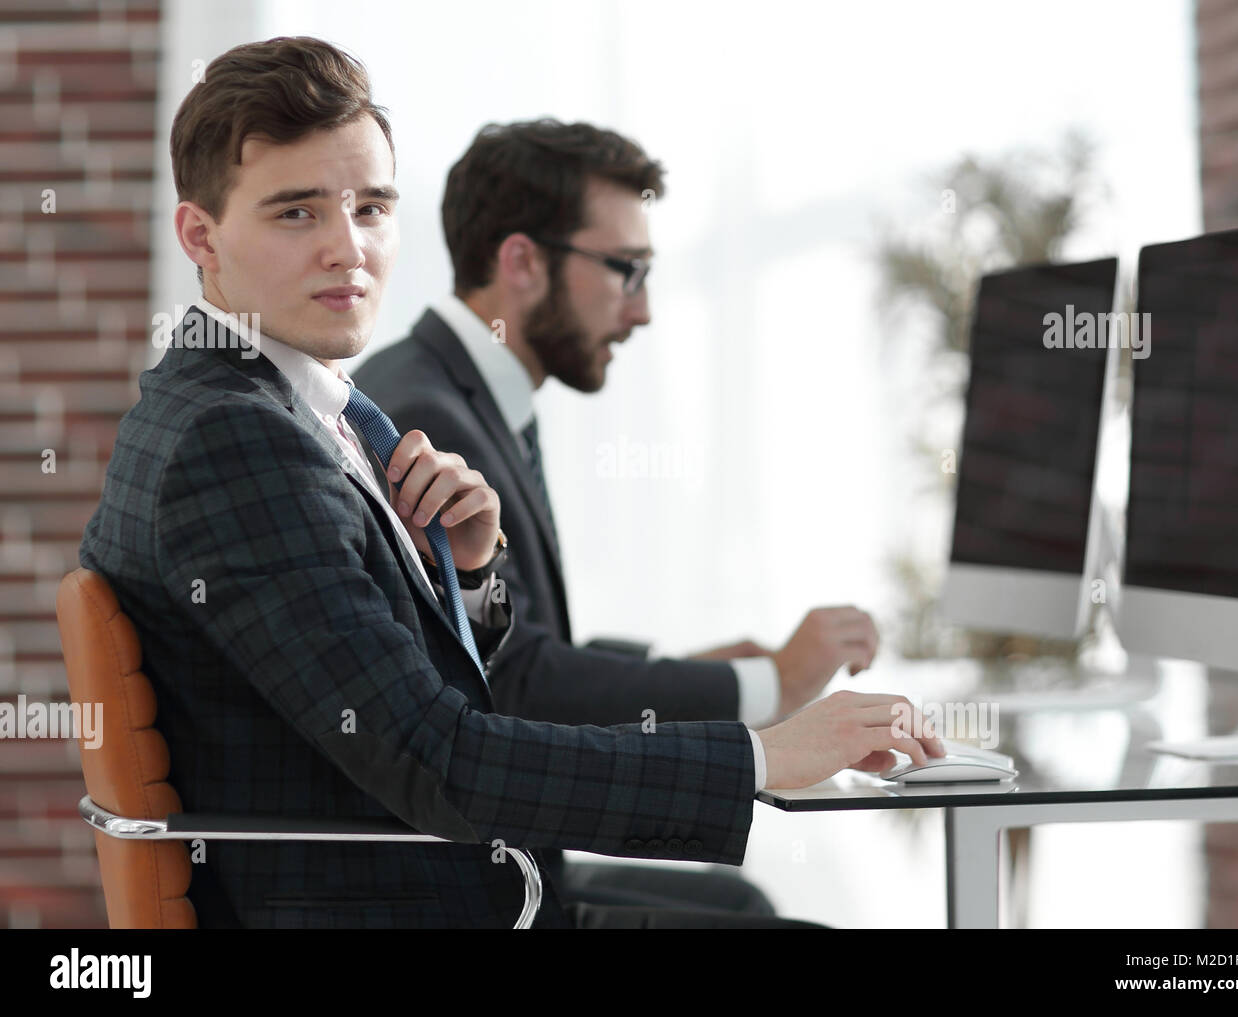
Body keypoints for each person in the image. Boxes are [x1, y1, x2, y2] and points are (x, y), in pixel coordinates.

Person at [80, 36, 944, 929]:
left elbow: (416, 686)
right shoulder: (237, 439)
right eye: (297, 213)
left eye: (371, 207)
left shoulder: (276, 408)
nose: (351, 249)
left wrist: (471, 572)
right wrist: (762, 756)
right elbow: (439, 756)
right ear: (201, 236)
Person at [352, 119, 893, 912]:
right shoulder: (428, 418)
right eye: (626, 271)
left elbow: (511, 646)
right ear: (522, 261)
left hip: (505, 858)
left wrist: (694, 670)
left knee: (742, 903)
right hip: (481, 886)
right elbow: (517, 683)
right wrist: (764, 686)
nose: (639, 314)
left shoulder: (450, 388)